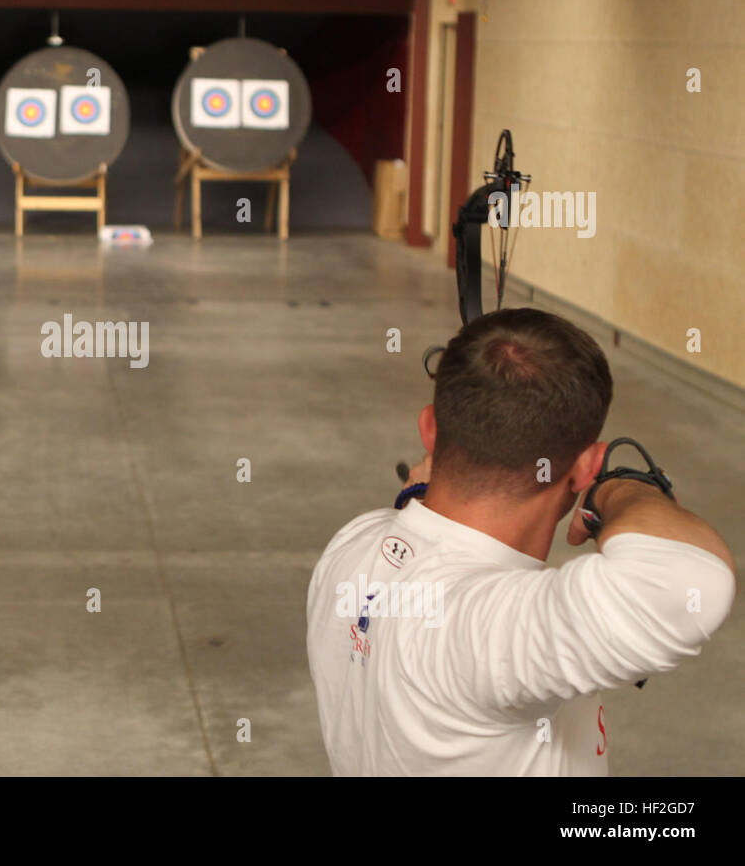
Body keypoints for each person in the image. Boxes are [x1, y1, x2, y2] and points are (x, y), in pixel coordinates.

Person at [306, 308, 735, 775]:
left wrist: (417, 494)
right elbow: (689, 585)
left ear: (429, 428)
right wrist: (625, 486)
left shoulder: (351, 544)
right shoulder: (489, 631)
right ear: (586, 467)